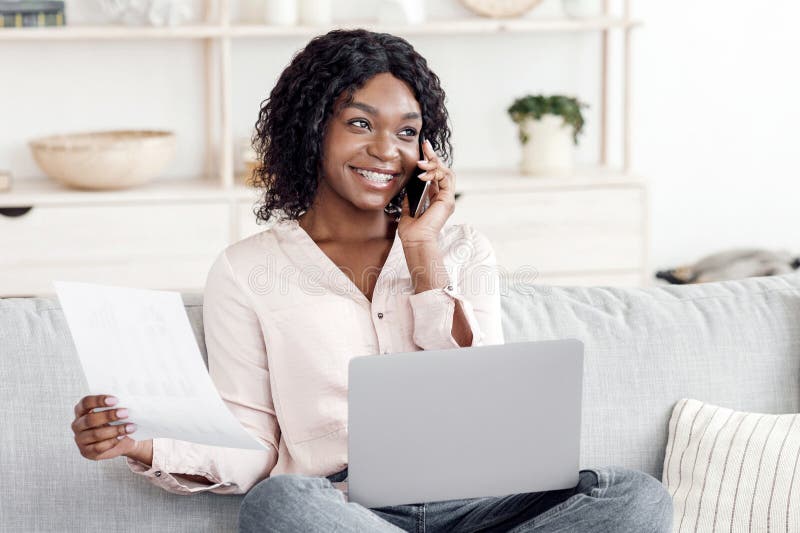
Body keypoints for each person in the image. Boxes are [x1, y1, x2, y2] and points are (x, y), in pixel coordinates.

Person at [70, 29, 672, 532]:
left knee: (635, 497)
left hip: (485, 504)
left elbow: (485, 406)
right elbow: (251, 443)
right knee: (278, 505)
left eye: (407, 132)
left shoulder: (461, 249)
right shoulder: (248, 269)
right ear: (311, 129)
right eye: (360, 124)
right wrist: (142, 445)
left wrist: (422, 250)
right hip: (345, 508)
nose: (386, 150)